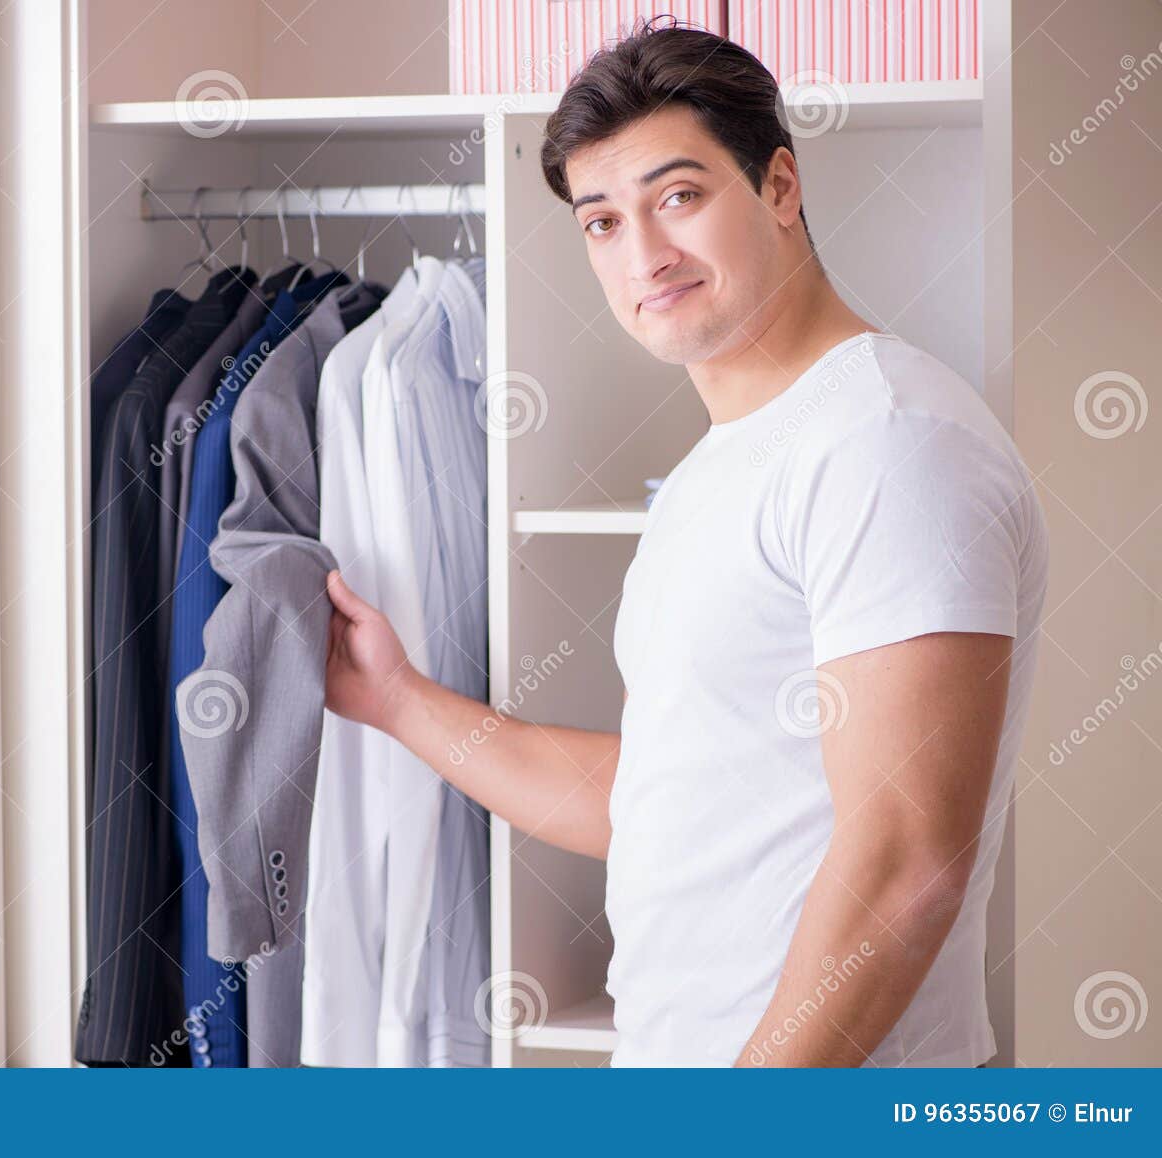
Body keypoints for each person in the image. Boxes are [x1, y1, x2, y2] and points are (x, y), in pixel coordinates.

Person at [322, 20, 1049, 1068]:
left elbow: (909, 861)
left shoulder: (887, 439)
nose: (644, 256)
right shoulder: (720, 466)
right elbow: (662, 797)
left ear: (781, 188)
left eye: (678, 197)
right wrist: (397, 700)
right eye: (602, 222)